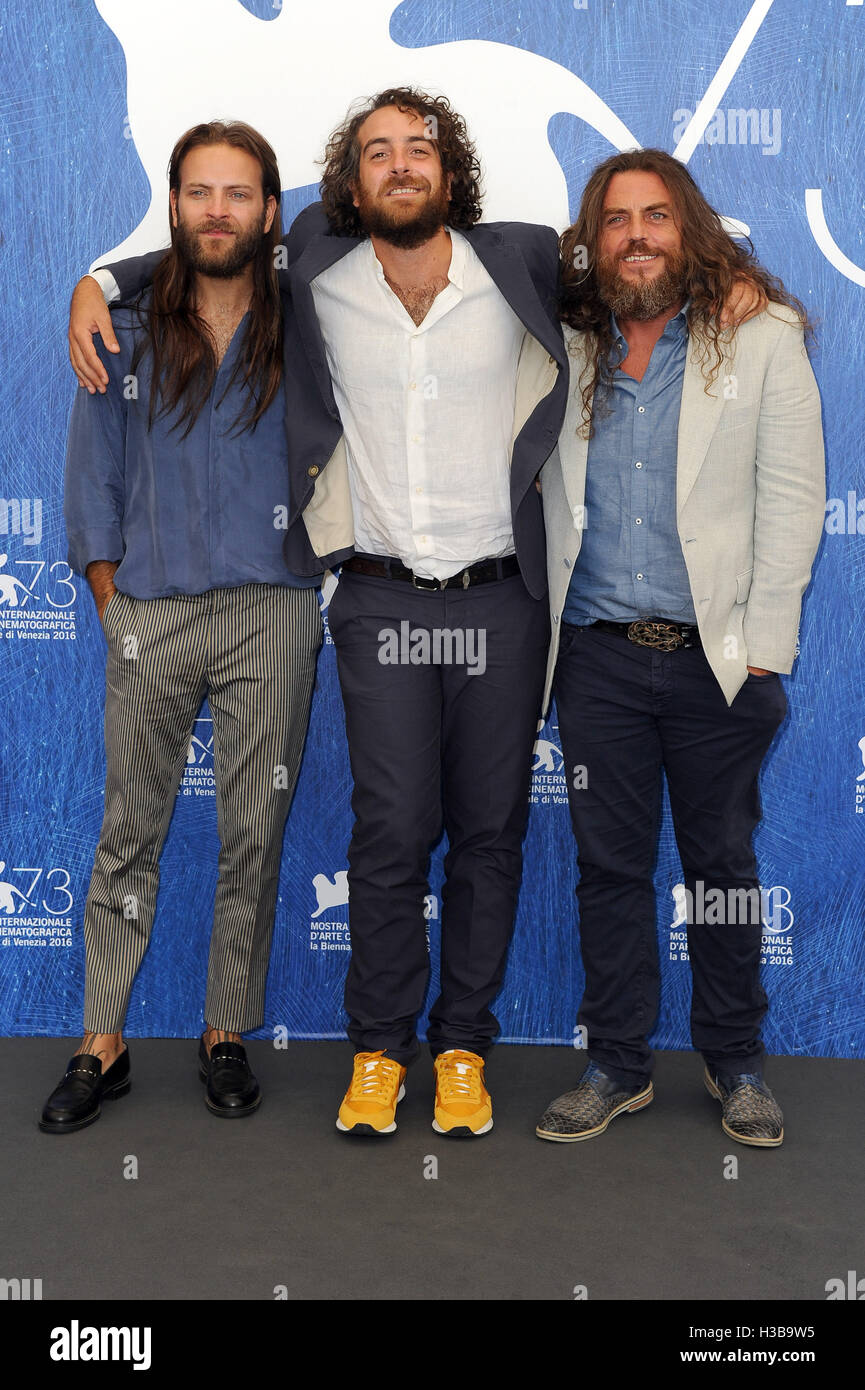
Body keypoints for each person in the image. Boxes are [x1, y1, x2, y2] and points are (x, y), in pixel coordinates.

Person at [66, 99, 760, 1140]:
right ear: (347, 184)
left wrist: (734, 281)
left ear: (449, 168)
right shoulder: (313, 263)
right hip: (380, 596)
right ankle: (380, 1050)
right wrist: (96, 278)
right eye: (375, 152)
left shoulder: (523, 261)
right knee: (390, 831)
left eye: (418, 148)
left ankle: (465, 1050)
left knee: (490, 831)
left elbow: (638, 271)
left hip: (507, 599)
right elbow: (200, 249)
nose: (399, 165)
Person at [535, 149, 825, 1147]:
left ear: (688, 228)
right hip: (597, 657)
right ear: (592, 238)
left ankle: (733, 1059)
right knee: (607, 867)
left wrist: (765, 649)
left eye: (656, 215)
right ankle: (617, 1061)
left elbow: (793, 500)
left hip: (719, 659)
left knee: (721, 865)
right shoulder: (562, 338)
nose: (636, 235)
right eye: (615, 219)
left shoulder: (760, 335)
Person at [40, 121, 322, 1134]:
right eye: (198, 192)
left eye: (237, 193)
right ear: (172, 209)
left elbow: (365, 217)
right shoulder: (118, 323)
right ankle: (100, 1041)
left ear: (270, 212)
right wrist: (113, 599)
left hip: (276, 612)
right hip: (148, 611)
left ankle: (225, 1031)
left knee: (253, 832)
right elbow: (95, 474)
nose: (217, 209)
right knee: (130, 833)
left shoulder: (311, 317)